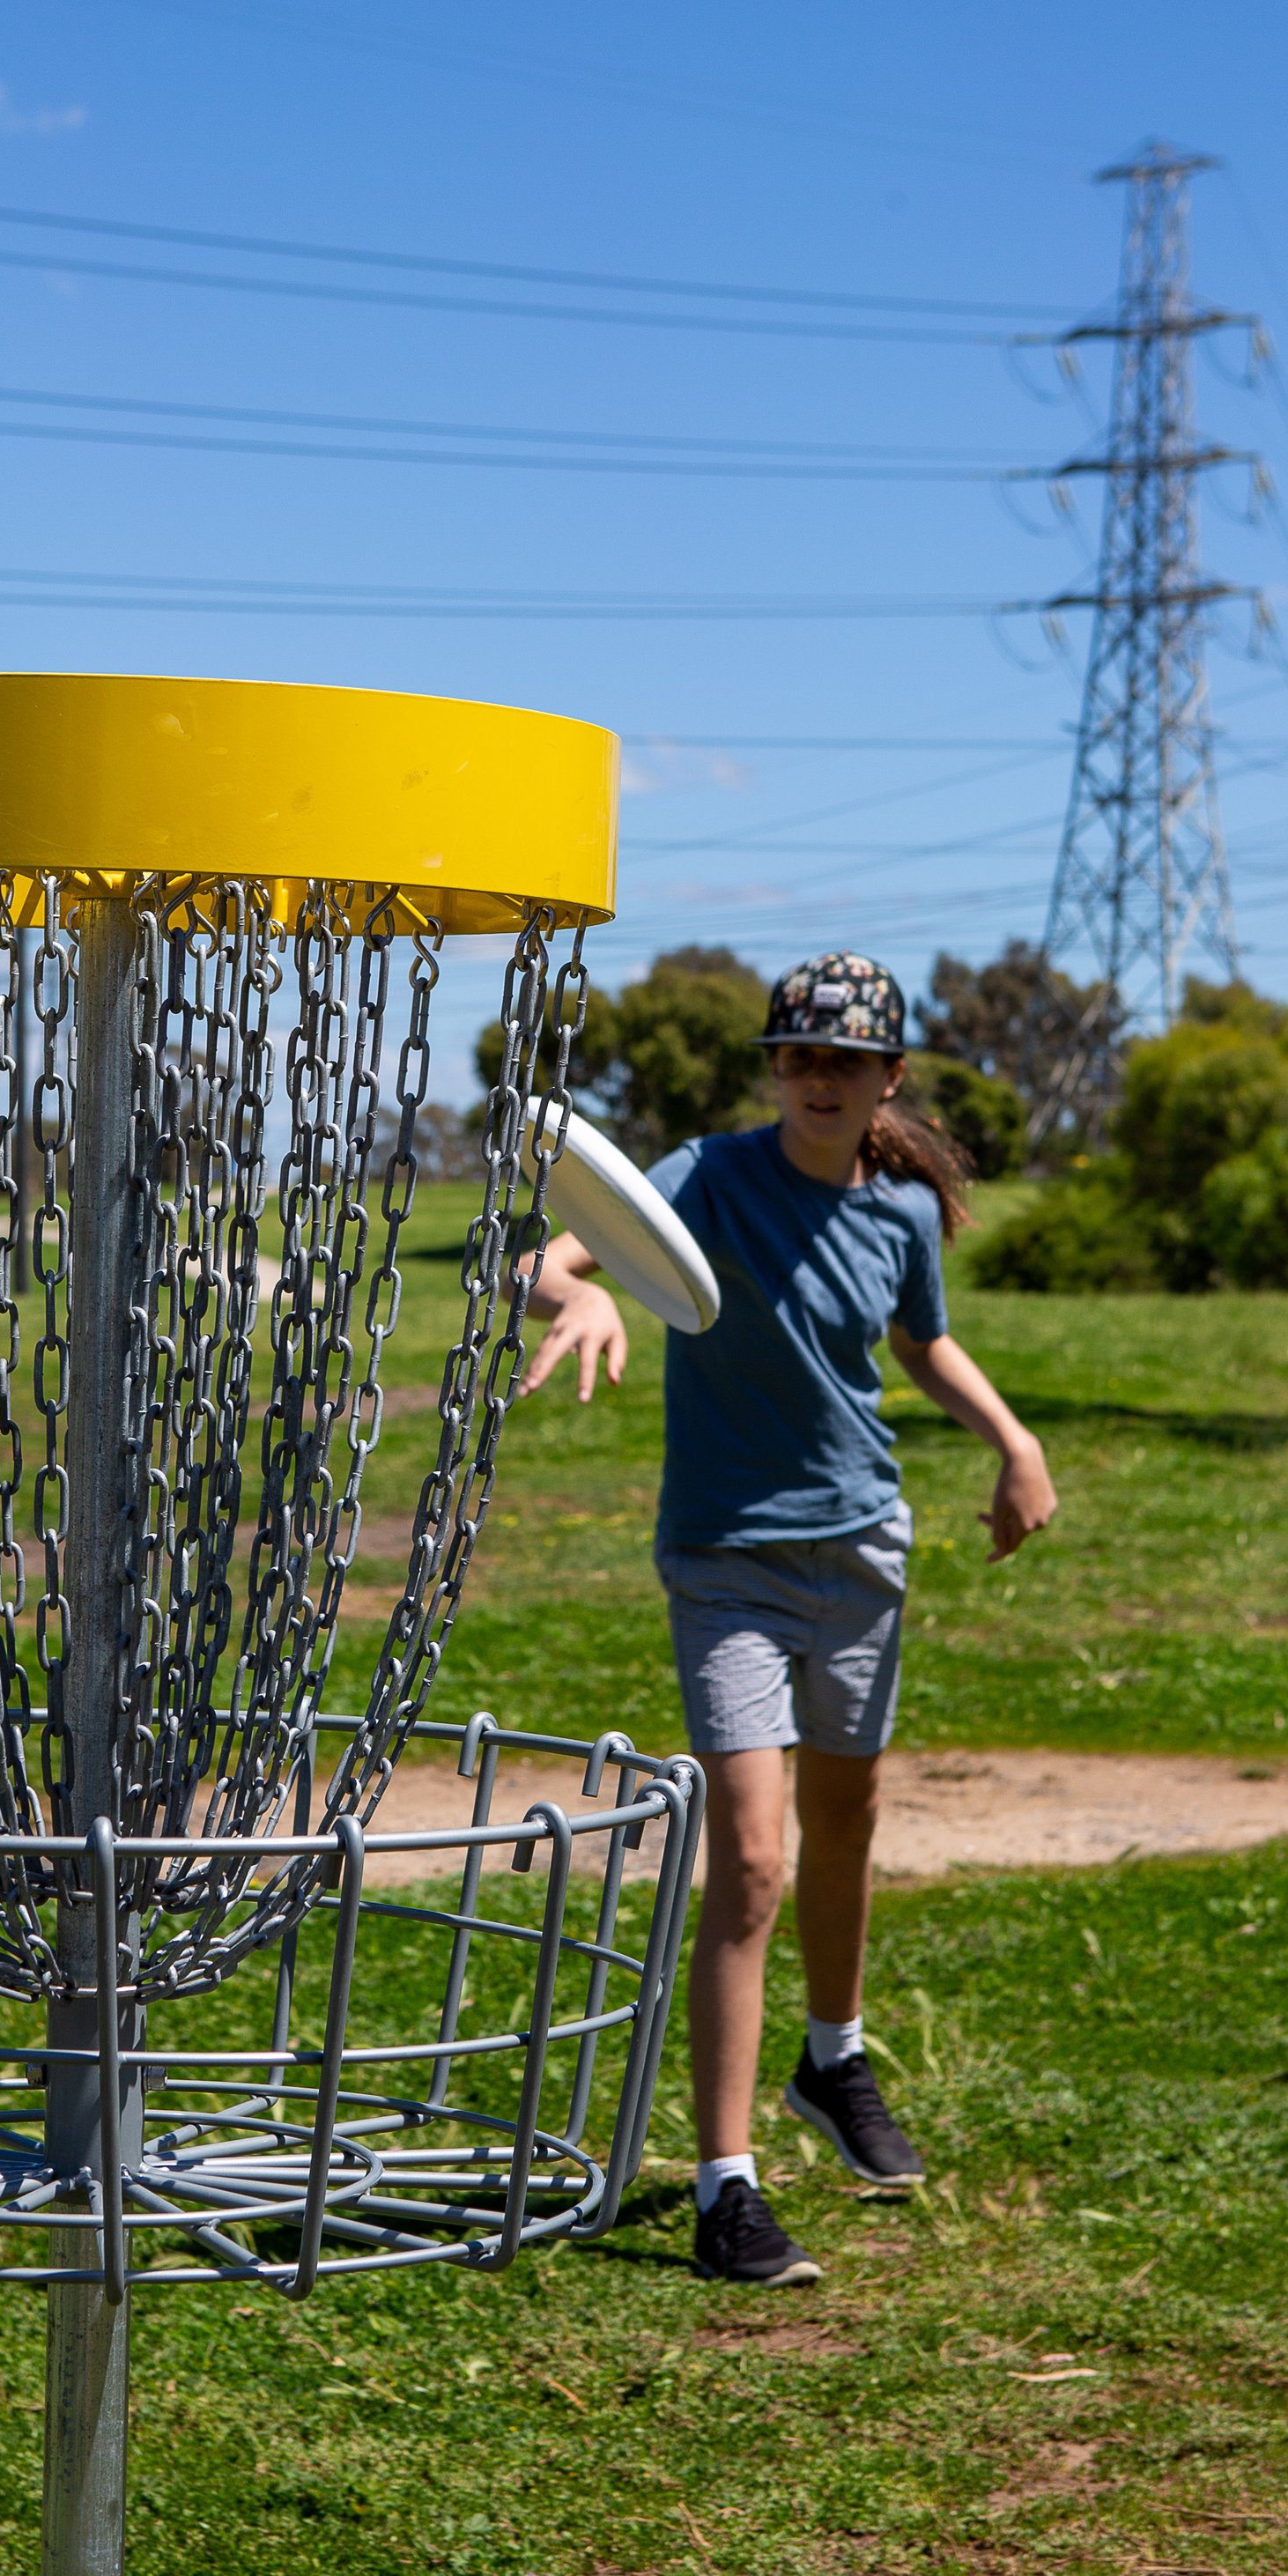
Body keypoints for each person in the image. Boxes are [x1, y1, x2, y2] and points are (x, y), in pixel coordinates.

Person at [522, 949, 1057, 2287]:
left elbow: (919, 1342)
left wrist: (1012, 1438)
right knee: (752, 1858)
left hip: (863, 1551)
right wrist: (579, 1292)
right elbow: (551, 1248)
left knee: (850, 1819)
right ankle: (727, 2187)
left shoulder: (902, 1214)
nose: (818, 1079)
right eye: (797, 1057)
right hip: (728, 1564)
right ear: (775, 1069)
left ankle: (835, 2057)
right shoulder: (707, 1172)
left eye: (845, 1060)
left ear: (888, 1078)